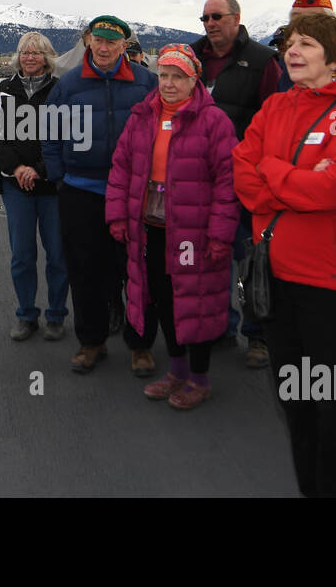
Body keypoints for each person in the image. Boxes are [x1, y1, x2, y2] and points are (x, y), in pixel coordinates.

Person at [231, 12, 336, 497]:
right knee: (297, 408)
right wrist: (290, 181)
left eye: (307, 44)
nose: (292, 52)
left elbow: (333, 189)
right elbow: (243, 174)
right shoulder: (274, 108)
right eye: (289, 44)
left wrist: (272, 171)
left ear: (335, 56)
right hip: (278, 281)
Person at [106, 44, 238, 409]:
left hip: (193, 230)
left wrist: (220, 234)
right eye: (163, 75)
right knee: (163, 299)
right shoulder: (142, 116)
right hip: (152, 225)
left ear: (195, 79)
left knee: (194, 302)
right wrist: (117, 215)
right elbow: (121, 169)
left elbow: (229, 183)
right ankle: (176, 371)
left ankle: (199, 378)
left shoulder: (215, 122)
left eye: (177, 77)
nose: (168, 83)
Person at [41, 15, 156, 373]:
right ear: (88, 43)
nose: (103, 48)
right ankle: (92, 341)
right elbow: (51, 135)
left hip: (134, 193)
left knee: (139, 271)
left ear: (125, 45)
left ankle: (140, 345)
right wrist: (61, 179)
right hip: (81, 192)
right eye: (97, 41)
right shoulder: (69, 84)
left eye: (111, 42)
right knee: (84, 271)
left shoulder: (147, 82)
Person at [190, 0, 280, 368]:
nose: (210, 23)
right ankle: (219, 328)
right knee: (211, 259)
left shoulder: (263, 61)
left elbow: (275, 120)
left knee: (252, 258)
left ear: (236, 18)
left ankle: (257, 335)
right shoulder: (192, 58)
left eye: (216, 16)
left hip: (246, 180)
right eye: (205, 17)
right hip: (200, 180)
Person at [0, 32, 69, 342]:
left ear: (47, 57)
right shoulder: (5, 90)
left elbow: (67, 139)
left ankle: (57, 315)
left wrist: (40, 170)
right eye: (25, 53)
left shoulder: (60, 91)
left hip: (52, 187)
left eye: (37, 53)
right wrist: (17, 168)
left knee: (58, 255)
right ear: (18, 57)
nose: (30, 58)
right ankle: (26, 314)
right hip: (16, 185)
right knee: (22, 254)